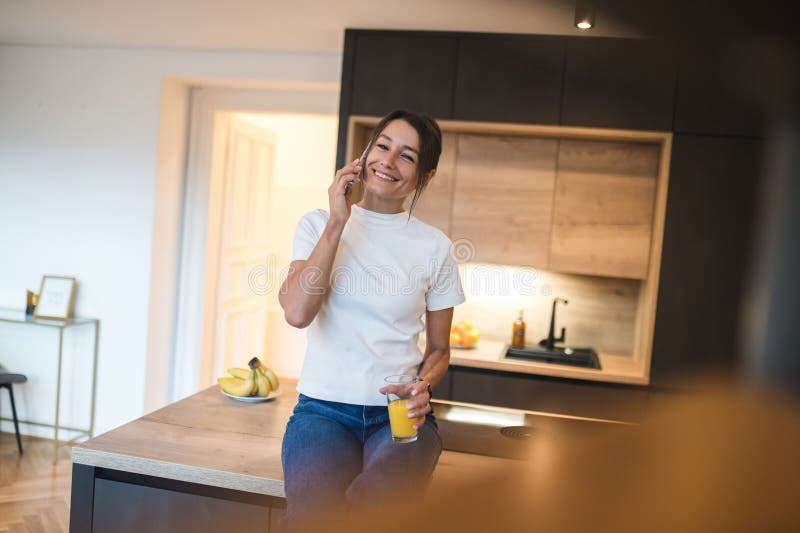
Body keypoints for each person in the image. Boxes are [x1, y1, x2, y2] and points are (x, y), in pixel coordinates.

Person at [278, 109, 465, 530]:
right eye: (382, 146)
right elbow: (296, 312)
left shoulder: (434, 247)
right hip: (322, 412)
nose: (388, 160)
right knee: (313, 517)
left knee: (379, 509)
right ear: (364, 153)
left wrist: (423, 384)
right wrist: (337, 223)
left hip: (398, 415)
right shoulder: (316, 225)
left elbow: (438, 350)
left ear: (425, 176)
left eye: (407, 156)